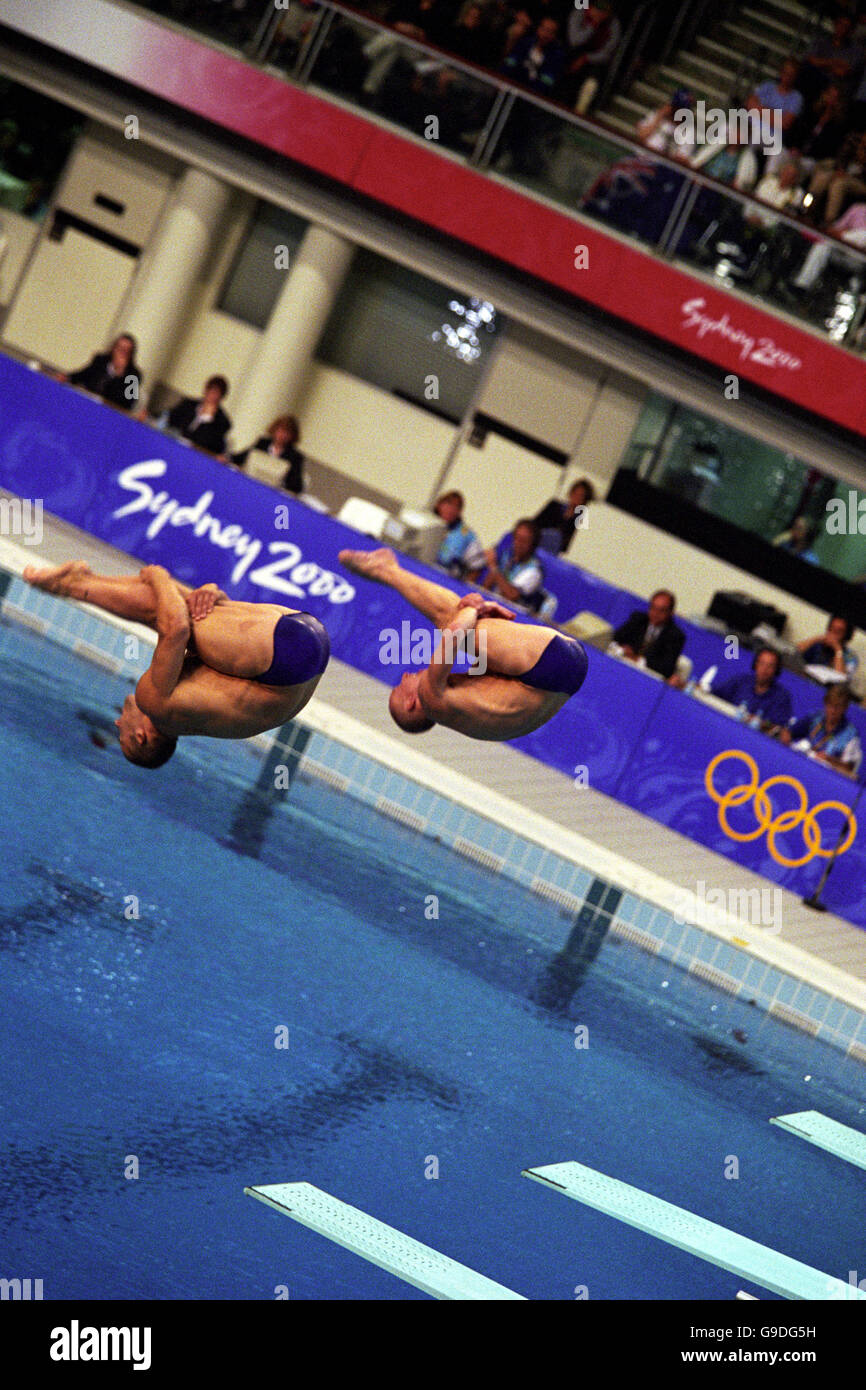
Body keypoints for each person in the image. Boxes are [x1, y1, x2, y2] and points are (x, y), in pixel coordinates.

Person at [22, 560, 330, 768]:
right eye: (122, 734)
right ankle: (71, 586)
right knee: (163, 612)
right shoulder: (155, 704)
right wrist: (159, 576)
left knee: (178, 610)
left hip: (308, 646)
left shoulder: (192, 711)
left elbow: (191, 624)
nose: (117, 723)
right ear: (141, 736)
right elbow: (175, 629)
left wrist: (210, 594)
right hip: (288, 654)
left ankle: (80, 582)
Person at [339, 547, 588, 740]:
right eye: (399, 687)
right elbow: (455, 632)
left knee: (465, 626)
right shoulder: (430, 697)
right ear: (411, 703)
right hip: (551, 665)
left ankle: (386, 570)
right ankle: (384, 570)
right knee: (451, 617)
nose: (404, 675)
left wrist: (480, 616)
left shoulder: (461, 710)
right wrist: (474, 606)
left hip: (569, 672)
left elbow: (501, 684)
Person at [779, 685, 862, 777]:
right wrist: (786, 735)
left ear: (845, 708)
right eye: (830, 705)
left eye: (838, 707)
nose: (833, 711)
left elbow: (848, 768)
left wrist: (829, 759)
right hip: (801, 766)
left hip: (825, 776)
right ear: (825, 703)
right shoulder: (816, 717)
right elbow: (788, 731)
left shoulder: (851, 734)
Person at [707, 646, 793, 732]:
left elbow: (779, 728)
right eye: (761, 663)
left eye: (770, 666)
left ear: (776, 670)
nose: (764, 669)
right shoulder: (740, 681)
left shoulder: (782, 697)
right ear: (755, 664)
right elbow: (714, 695)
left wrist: (759, 722)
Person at [611, 589, 685, 680]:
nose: (655, 613)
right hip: (623, 666)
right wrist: (623, 649)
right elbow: (615, 638)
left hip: (647, 678)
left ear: (671, 613)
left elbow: (667, 668)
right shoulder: (638, 619)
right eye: (653, 608)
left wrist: (638, 660)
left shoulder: (676, 636)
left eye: (661, 610)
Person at [61, 333, 143, 412]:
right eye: (118, 348)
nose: (120, 353)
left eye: (125, 351)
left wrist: (119, 373)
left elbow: (129, 403)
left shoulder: (134, 375)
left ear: (130, 354)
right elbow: (83, 375)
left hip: (109, 412)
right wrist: (67, 377)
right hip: (88, 403)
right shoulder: (101, 360)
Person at [232, 414, 305, 493]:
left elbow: (297, 486)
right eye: (280, 430)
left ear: (292, 436)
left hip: (273, 492)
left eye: (287, 433)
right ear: (274, 429)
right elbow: (240, 457)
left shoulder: (295, 456)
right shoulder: (262, 443)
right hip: (250, 484)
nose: (282, 435)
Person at [480, 519, 544, 608]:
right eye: (516, 538)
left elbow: (511, 595)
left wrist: (493, 567)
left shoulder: (534, 571)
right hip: (493, 604)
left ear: (533, 545)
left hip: (514, 614)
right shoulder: (507, 555)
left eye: (523, 541)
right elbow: (486, 586)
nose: (518, 544)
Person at [163, 375, 232, 456]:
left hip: (195, 455)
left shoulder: (222, 422)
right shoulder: (188, 404)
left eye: (216, 393)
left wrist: (207, 418)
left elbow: (210, 445)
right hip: (173, 445)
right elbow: (170, 419)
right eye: (210, 390)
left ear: (221, 397)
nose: (212, 395)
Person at [533, 477, 595, 554]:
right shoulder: (554, 506)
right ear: (571, 493)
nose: (577, 498)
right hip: (536, 544)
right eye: (575, 493)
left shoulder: (580, 522)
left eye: (581, 496)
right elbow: (534, 524)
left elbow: (569, 545)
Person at [433, 490, 485, 578]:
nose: (452, 509)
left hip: (444, 579)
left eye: (457, 507)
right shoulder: (424, 521)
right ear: (439, 504)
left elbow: (476, 567)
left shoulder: (467, 535)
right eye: (448, 504)